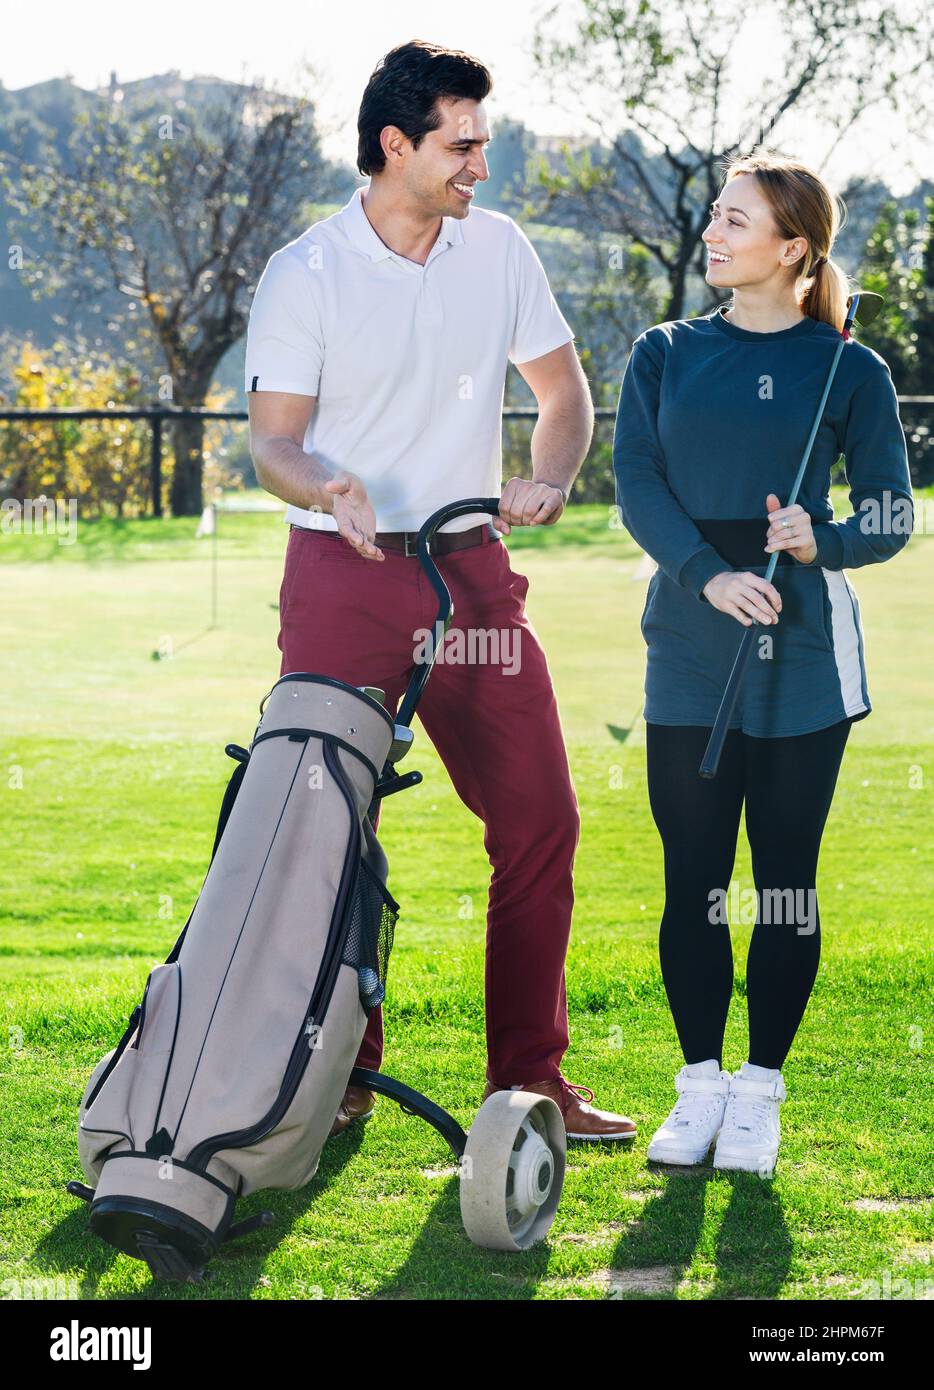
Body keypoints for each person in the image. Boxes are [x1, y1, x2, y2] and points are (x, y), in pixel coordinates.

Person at [244, 40, 636, 1142]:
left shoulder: (499, 249)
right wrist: (327, 484)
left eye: (484, 142)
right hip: (343, 572)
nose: (479, 163)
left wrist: (551, 473)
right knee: (329, 830)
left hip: (469, 576)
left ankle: (530, 1081)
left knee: (538, 817)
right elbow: (273, 446)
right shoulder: (304, 271)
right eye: (461, 144)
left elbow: (563, 393)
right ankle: (337, 1070)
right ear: (395, 145)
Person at [613, 153, 912, 1176]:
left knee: (783, 883)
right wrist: (705, 572)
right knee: (693, 878)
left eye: (734, 221)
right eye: (714, 217)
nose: (712, 232)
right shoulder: (662, 352)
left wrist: (815, 537)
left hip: (802, 656)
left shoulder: (850, 369)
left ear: (792, 248)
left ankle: (759, 1093)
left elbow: (888, 513)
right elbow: (638, 486)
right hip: (690, 647)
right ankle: (697, 1084)